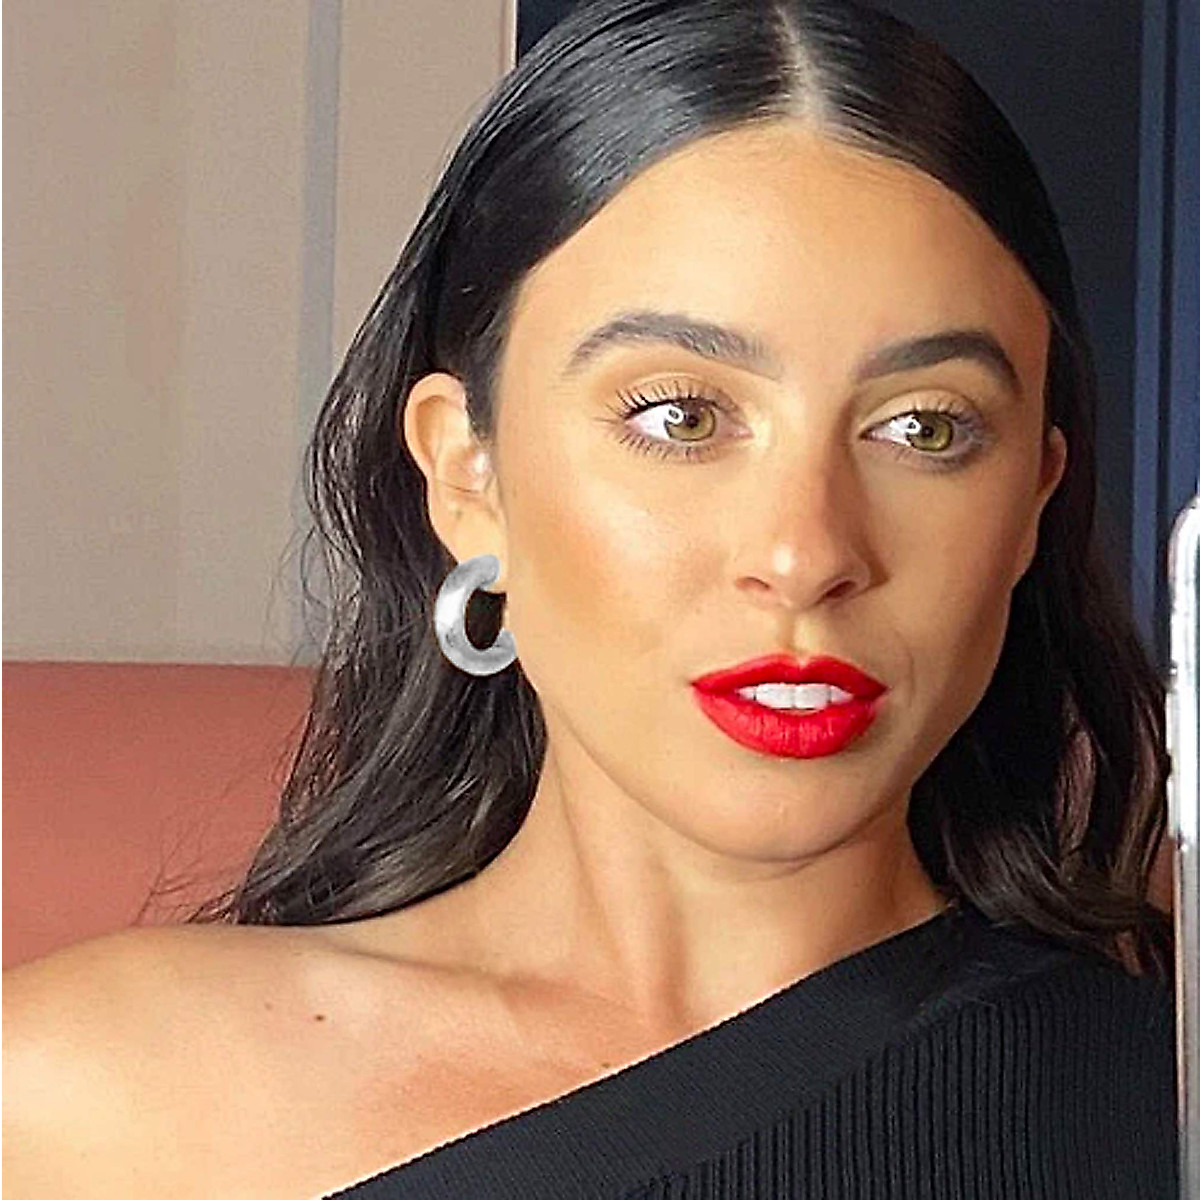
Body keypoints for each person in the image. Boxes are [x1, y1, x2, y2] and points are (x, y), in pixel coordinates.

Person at [4, 1, 1178, 1196]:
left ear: (1032, 501)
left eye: (923, 428)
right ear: (467, 474)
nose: (805, 550)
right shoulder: (81, 1100)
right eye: (681, 417)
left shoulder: (1167, 1110)